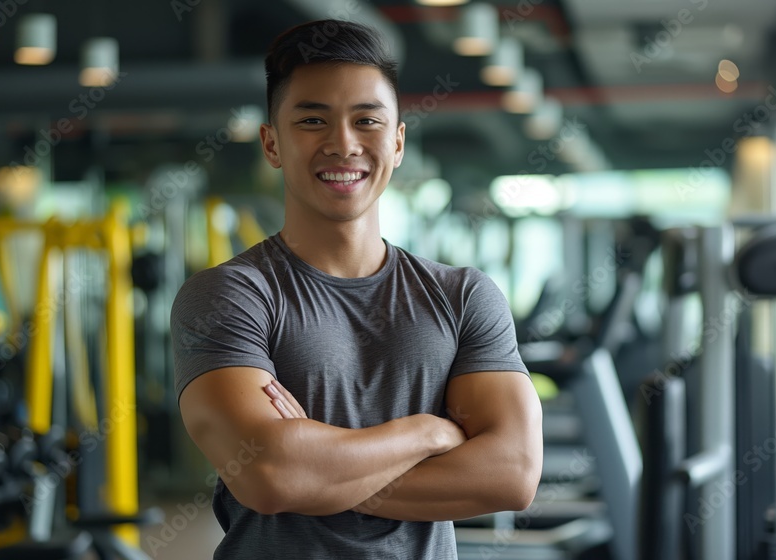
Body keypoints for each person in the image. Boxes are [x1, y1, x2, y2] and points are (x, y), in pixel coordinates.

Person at [171, 19, 544, 559]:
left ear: (396, 143)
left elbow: (511, 474)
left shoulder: (464, 297)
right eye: (312, 120)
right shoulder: (229, 296)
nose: (343, 144)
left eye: (366, 120)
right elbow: (270, 473)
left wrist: (319, 470)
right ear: (271, 143)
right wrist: (428, 434)